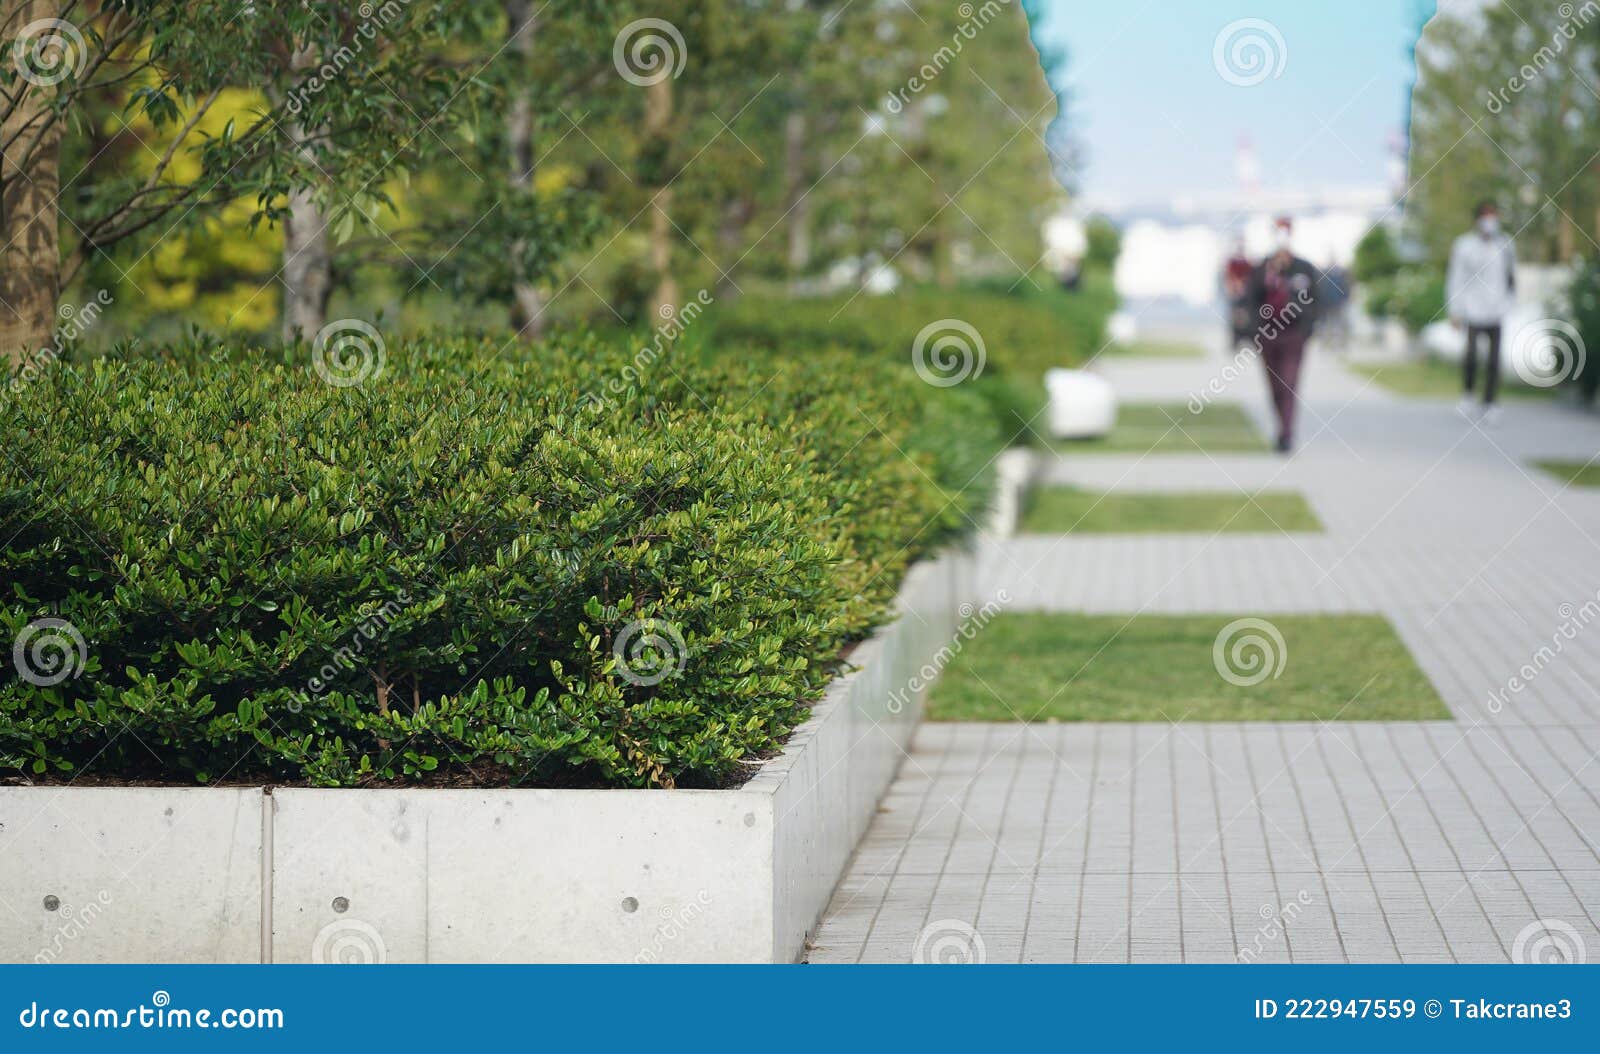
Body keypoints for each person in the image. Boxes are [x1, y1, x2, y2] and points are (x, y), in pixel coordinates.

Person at [1247, 217, 1319, 453]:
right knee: (1275, 387)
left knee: (1289, 384)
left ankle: (1286, 434)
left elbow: (1316, 300)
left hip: (1293, 336)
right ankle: (1281, 425)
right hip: (1268, 336)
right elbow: (1250, 301)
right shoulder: (1262, 269)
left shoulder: (1304, 268)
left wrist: (1307, 329)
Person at [1446, 200, 1517, 424]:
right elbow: (1455, 278)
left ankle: (1490, 402)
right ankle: (1468, 395)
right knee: (1471, 357)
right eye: (1486, 215)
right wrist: (1455, 310)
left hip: (1497, 310)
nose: (1490, 220)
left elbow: (1511, 277)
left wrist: (1511, 303)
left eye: (1493, 215)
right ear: (1478, 219)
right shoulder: (1464, 245)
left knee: (1495, 361)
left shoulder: (1505, 244)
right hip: (1472, 309)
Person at [1223, 239, 1255, 349]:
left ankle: (1247, 338)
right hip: (1235, 294)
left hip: (1246, 295)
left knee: (1247, 317)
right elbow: (1228, 278)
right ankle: (1235, 341)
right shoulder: (1232, 262)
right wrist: (1234, 288)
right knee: (1235, 318)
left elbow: (1252, 277)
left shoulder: (1248, 262)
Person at [1317, 260, 1352, 352]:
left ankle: (1338, 343)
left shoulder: (1341, 275)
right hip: (1325, 304)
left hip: (1338, 303)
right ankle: (1325, 343)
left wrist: (1345, 299)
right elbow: (1320, 289)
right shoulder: (1323, 275)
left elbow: (1345, 288)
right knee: (1325, 324)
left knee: (1338, 323)